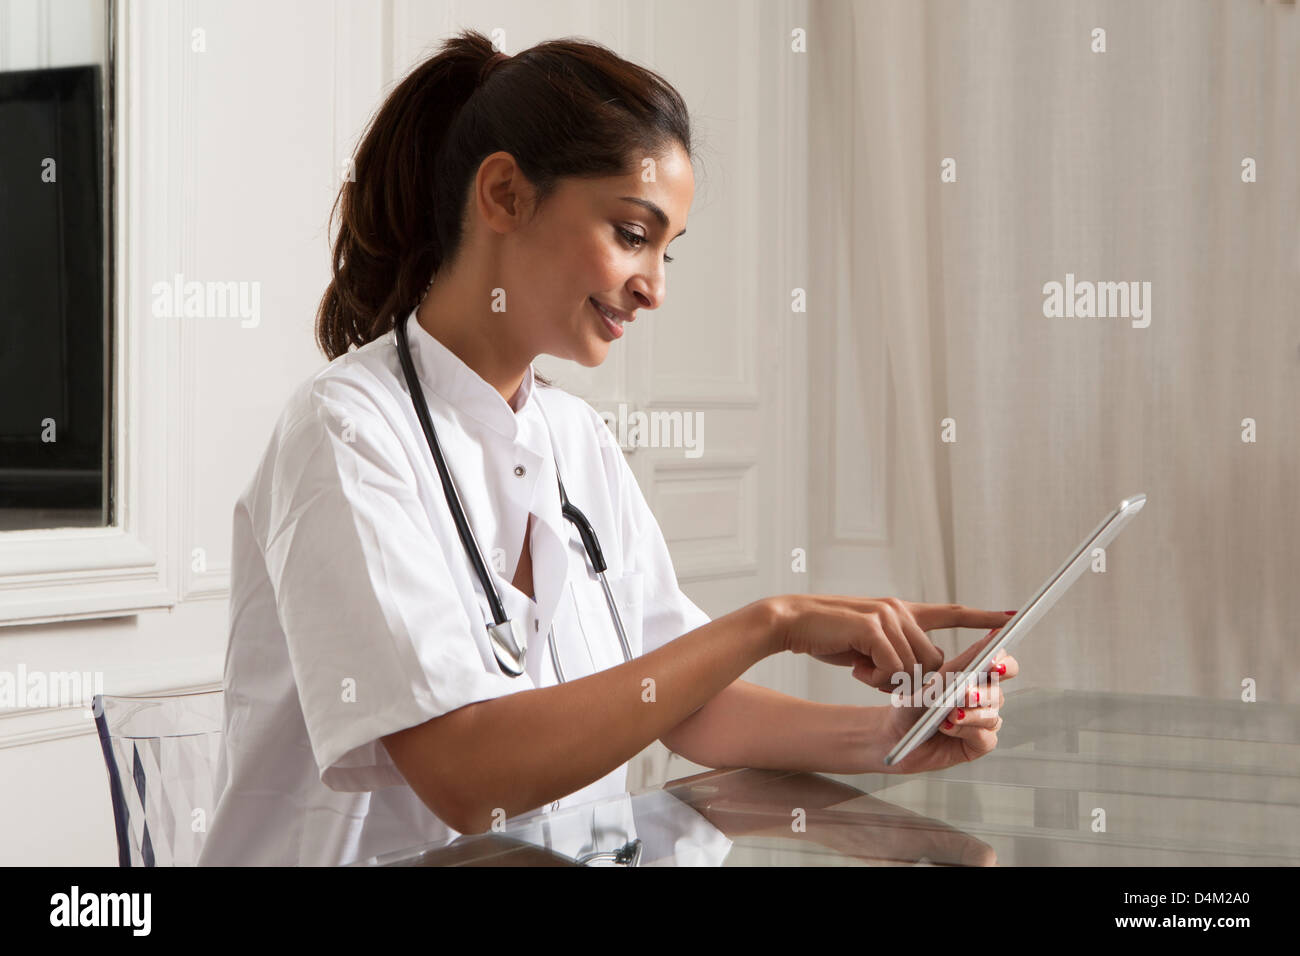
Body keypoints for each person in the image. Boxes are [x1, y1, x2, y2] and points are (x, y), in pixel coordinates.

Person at [198, 28, 1018, 867]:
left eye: (668, 252)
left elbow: (683, 703)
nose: (655, 287)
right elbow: (466, 775)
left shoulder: (573, 438)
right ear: (506, 194)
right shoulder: (344, 432)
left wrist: (893, 736)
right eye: (633, 234)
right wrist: (772, 622)